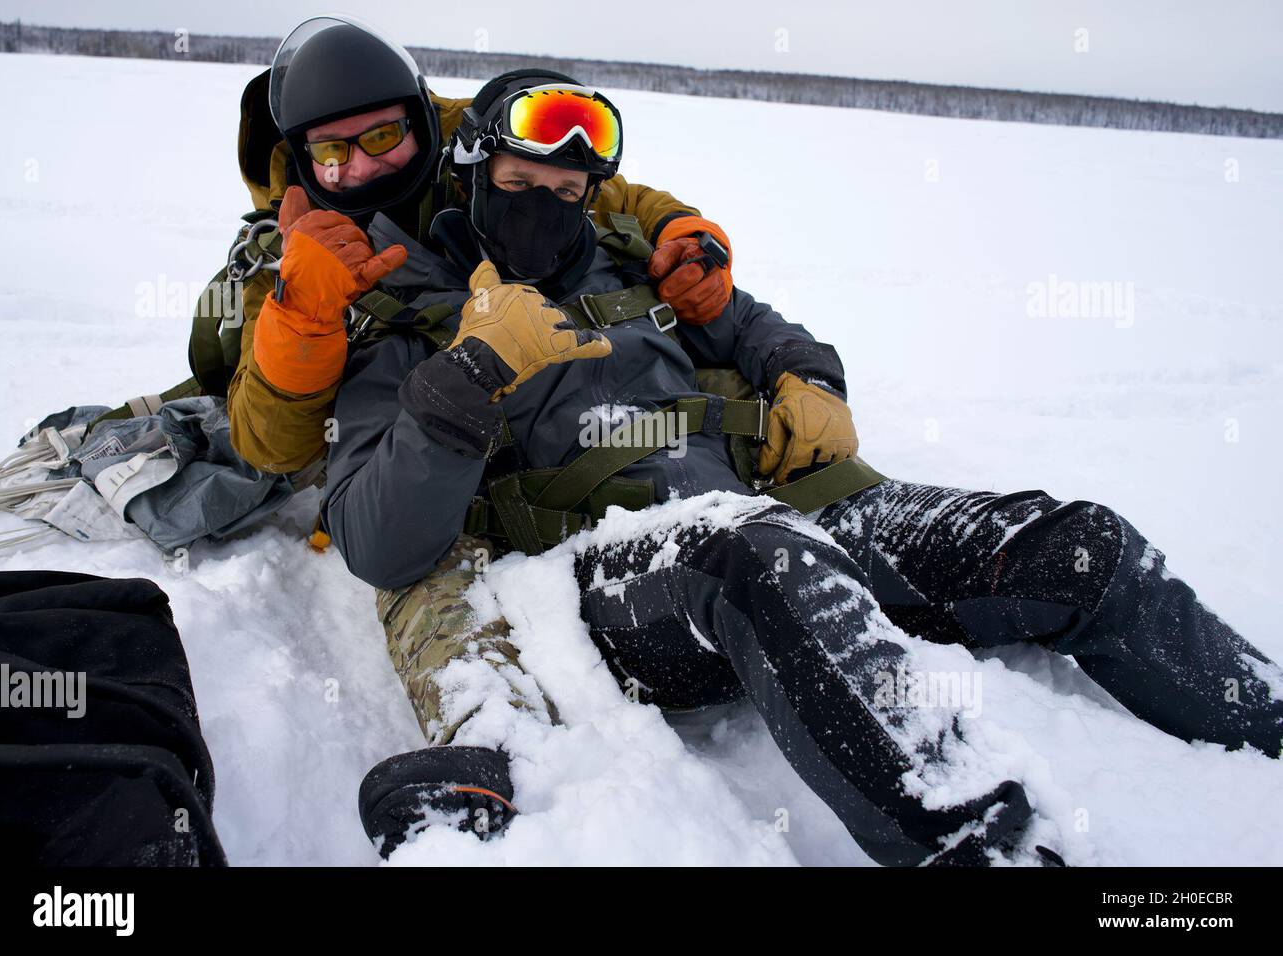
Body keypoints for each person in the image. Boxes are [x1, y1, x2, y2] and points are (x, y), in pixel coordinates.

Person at [321, 72, 1283, 865]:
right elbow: (379, 538)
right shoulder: (410, 314)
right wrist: (475, 369)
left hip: (765, 513)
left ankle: (1262, 713)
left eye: (570, 194)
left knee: (1075, 543)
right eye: (524, 186)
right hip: (617, 578)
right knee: (761, 555)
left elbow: (758, 325)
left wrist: (808, 377)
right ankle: (985, 848)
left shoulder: (625, 260)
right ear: (475, 172)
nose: (549, 209)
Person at [224, 15, 733, 477]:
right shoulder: (287, 247)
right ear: (305, 154)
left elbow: (598, 188)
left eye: (380, 137)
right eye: (332, 150)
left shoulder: (463, 145)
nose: (359, 166)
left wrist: (680, 229)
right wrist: (302, 315)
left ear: (419, 122)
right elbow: (272, 449)